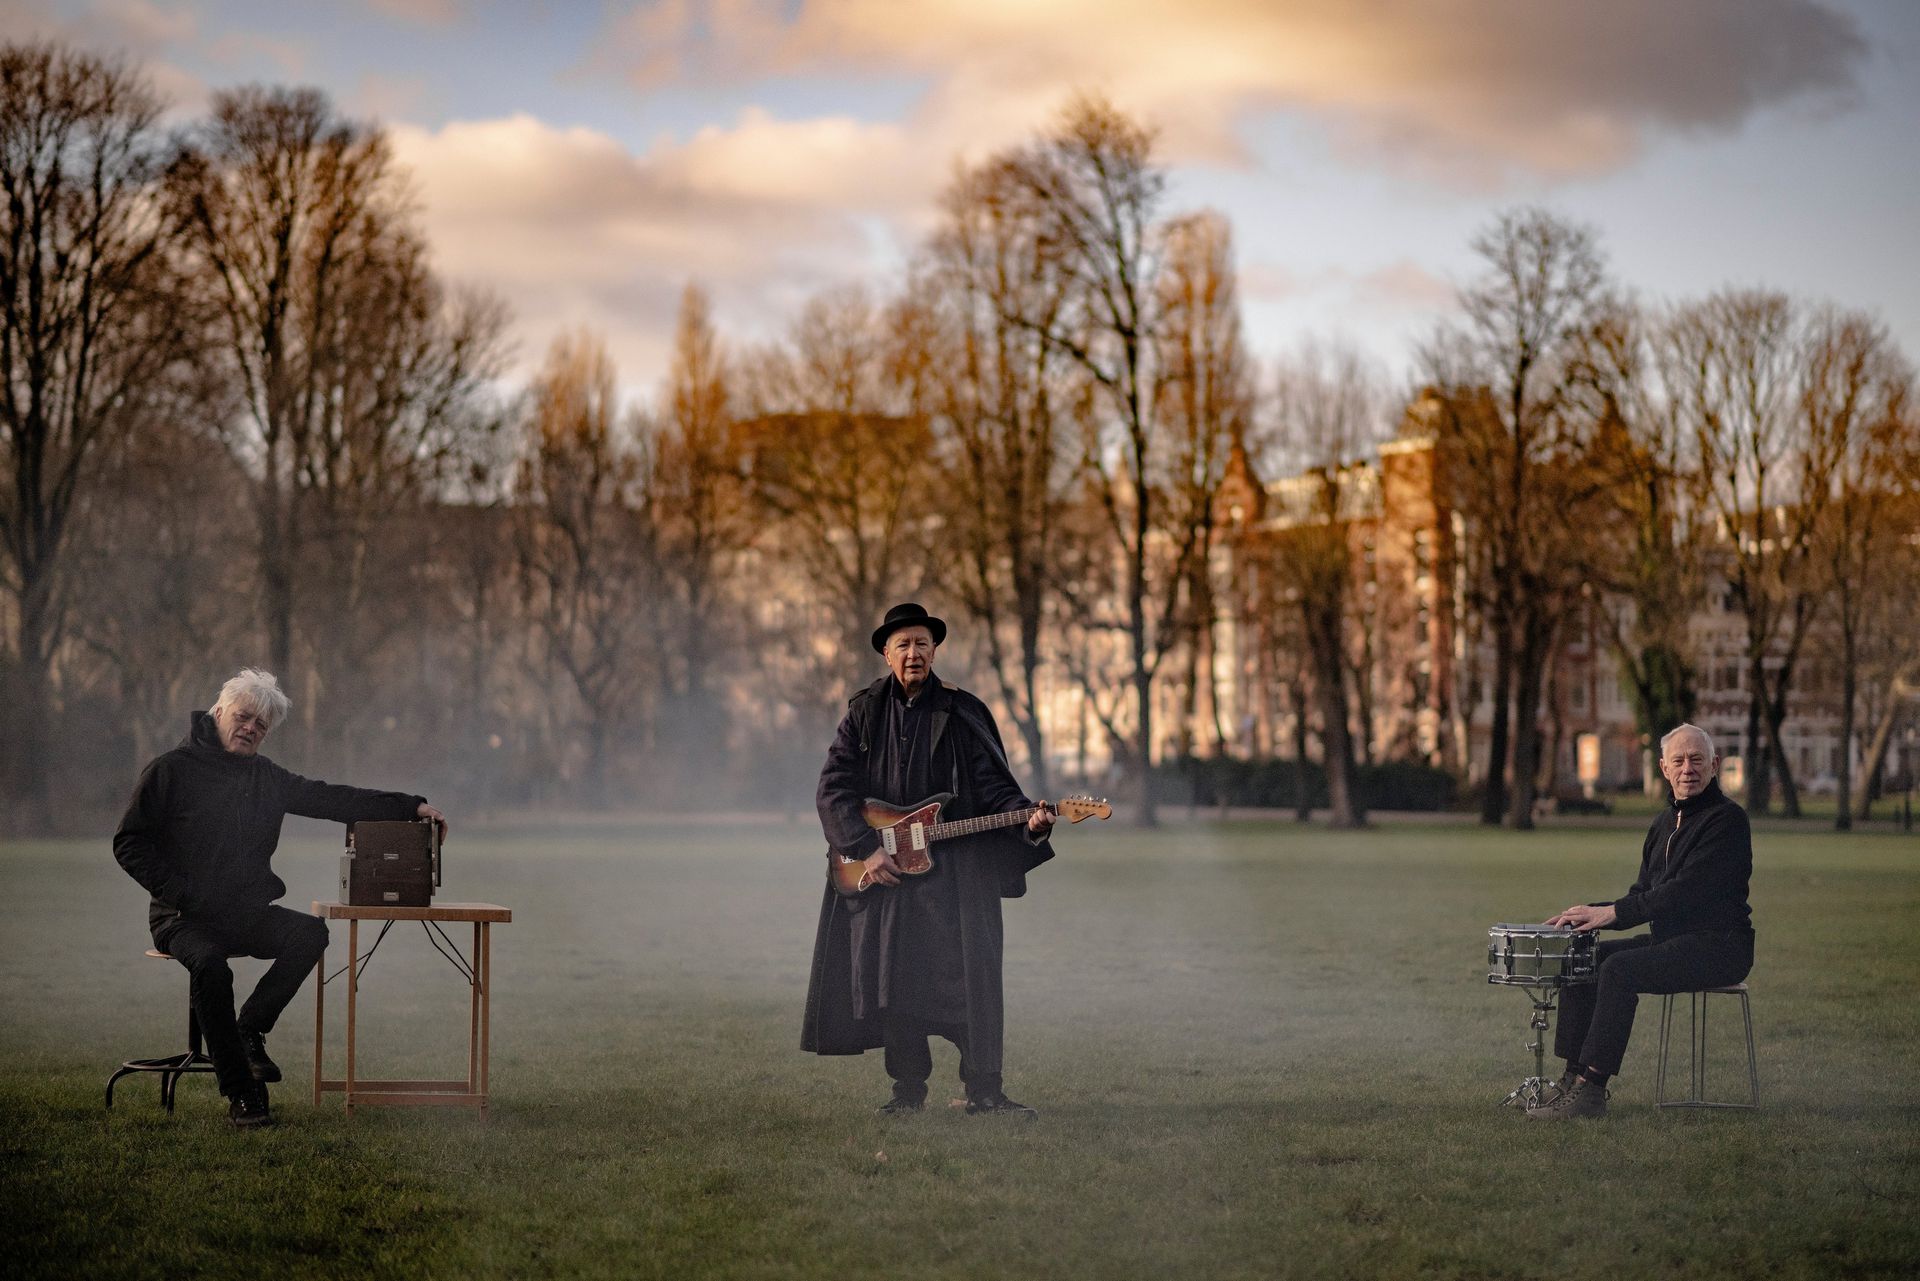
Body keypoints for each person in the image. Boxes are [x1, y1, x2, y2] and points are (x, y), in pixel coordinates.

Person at [112, 669, 446, 1127]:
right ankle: (242, 1093)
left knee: (309, 933)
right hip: (181, 917)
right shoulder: (171, 770)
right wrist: (180, 893)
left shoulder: (266, 777)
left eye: (261, 725)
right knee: (210, 966)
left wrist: (410, 806)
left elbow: (333, 800)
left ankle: (250, 1031)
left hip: (243, 913)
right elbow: (129, 842)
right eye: (245, 717)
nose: (251, 729)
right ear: (219, 711)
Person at [803, 603, 1056, 1117]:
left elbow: (996, 790)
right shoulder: (863, 713)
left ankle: (985, 1092)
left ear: (934, 649)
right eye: (903, 645)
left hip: (960, 879)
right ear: (886, 653)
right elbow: (833, 790)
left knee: (972, 982)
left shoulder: (963, 712)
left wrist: (1027, 822)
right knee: (897, 984)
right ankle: (907, 1093)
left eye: (921, 643)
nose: (913, 653)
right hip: (891, 875)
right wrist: (866, 849)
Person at [1527, 723, 1754, 1120]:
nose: (1688, 769)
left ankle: (1591, 1091)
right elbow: (1642, 896)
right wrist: (1586, 916)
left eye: (1697, 760)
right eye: (1679, 761)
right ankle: (1571, 1078)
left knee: (1618, 969)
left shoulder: (1728, 821)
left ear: (1714, 765)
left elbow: (1680, 894)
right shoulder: (1662, 824)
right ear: (1664, 768)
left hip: (1720, 946)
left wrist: (1610, 913)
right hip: (1671, 940)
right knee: (1585, 959)